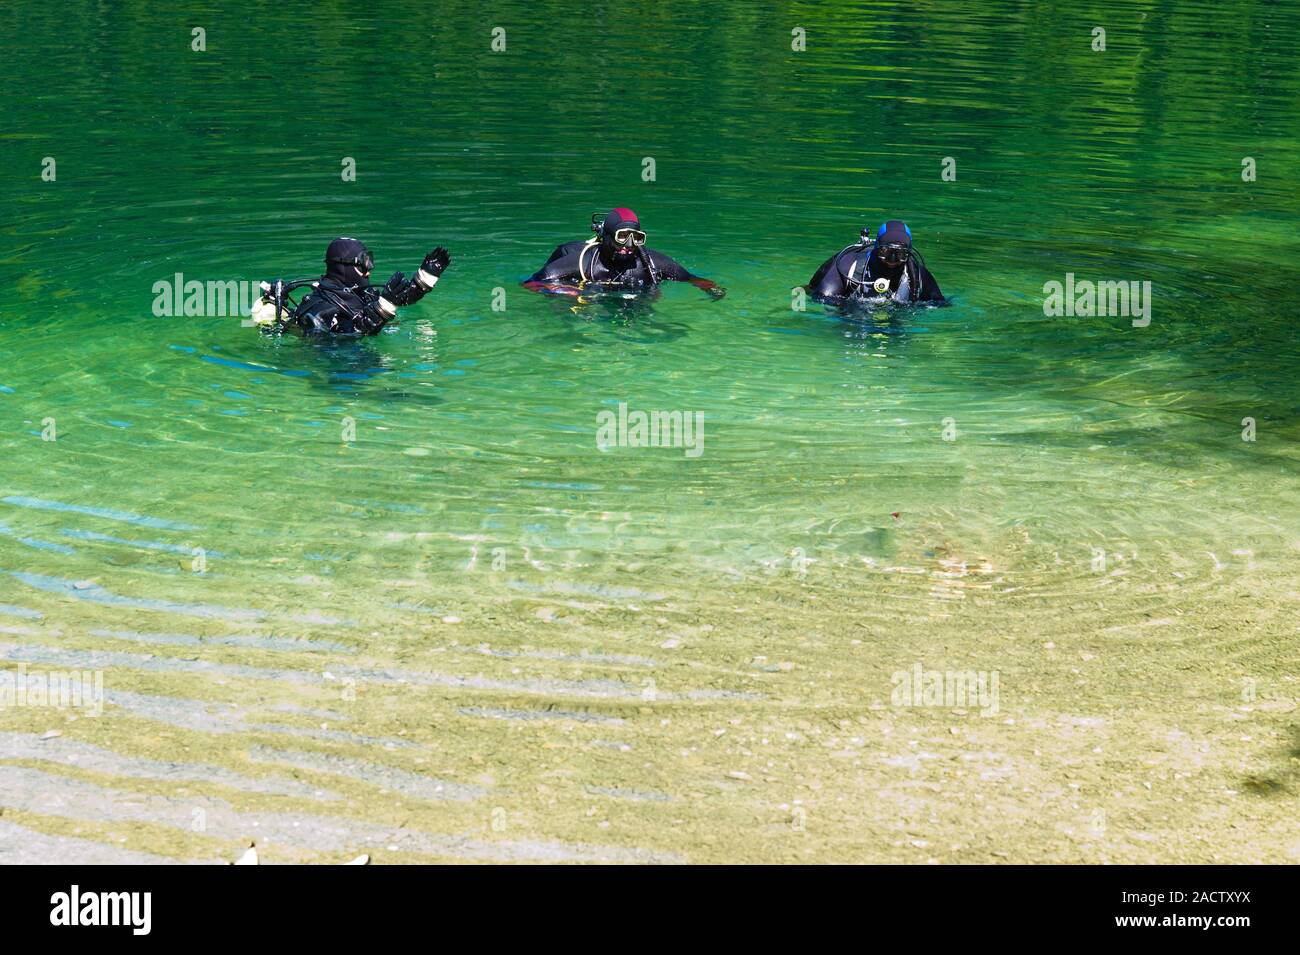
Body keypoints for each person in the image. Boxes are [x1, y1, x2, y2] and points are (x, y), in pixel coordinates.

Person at [254, 237, 451, 335]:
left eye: (370, 263)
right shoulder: (318, 307)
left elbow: (400, 299)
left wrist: (425, 279)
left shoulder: (359, 292)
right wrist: (381, 310)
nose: (369, 270)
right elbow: (343, 334)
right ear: (343, 267)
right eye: (364, 264)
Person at [524, 208, 724, 299]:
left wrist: (713, 290)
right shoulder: (582, 262)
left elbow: (692, 279)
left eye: (636, 238)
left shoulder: (652, 263)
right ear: (607, 236)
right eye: (622, 237)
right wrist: (559, 291)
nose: (629, 245)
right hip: (587, 296)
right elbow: (530, 283)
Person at [806, 220, 943, 306]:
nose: (892, 261)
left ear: (908, 253)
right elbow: (820, 298)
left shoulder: (917, 275)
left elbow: (940, 304)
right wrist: (855, 307)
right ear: (877, 247)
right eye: (886, 253)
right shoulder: (848, 265)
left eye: (900, 255)